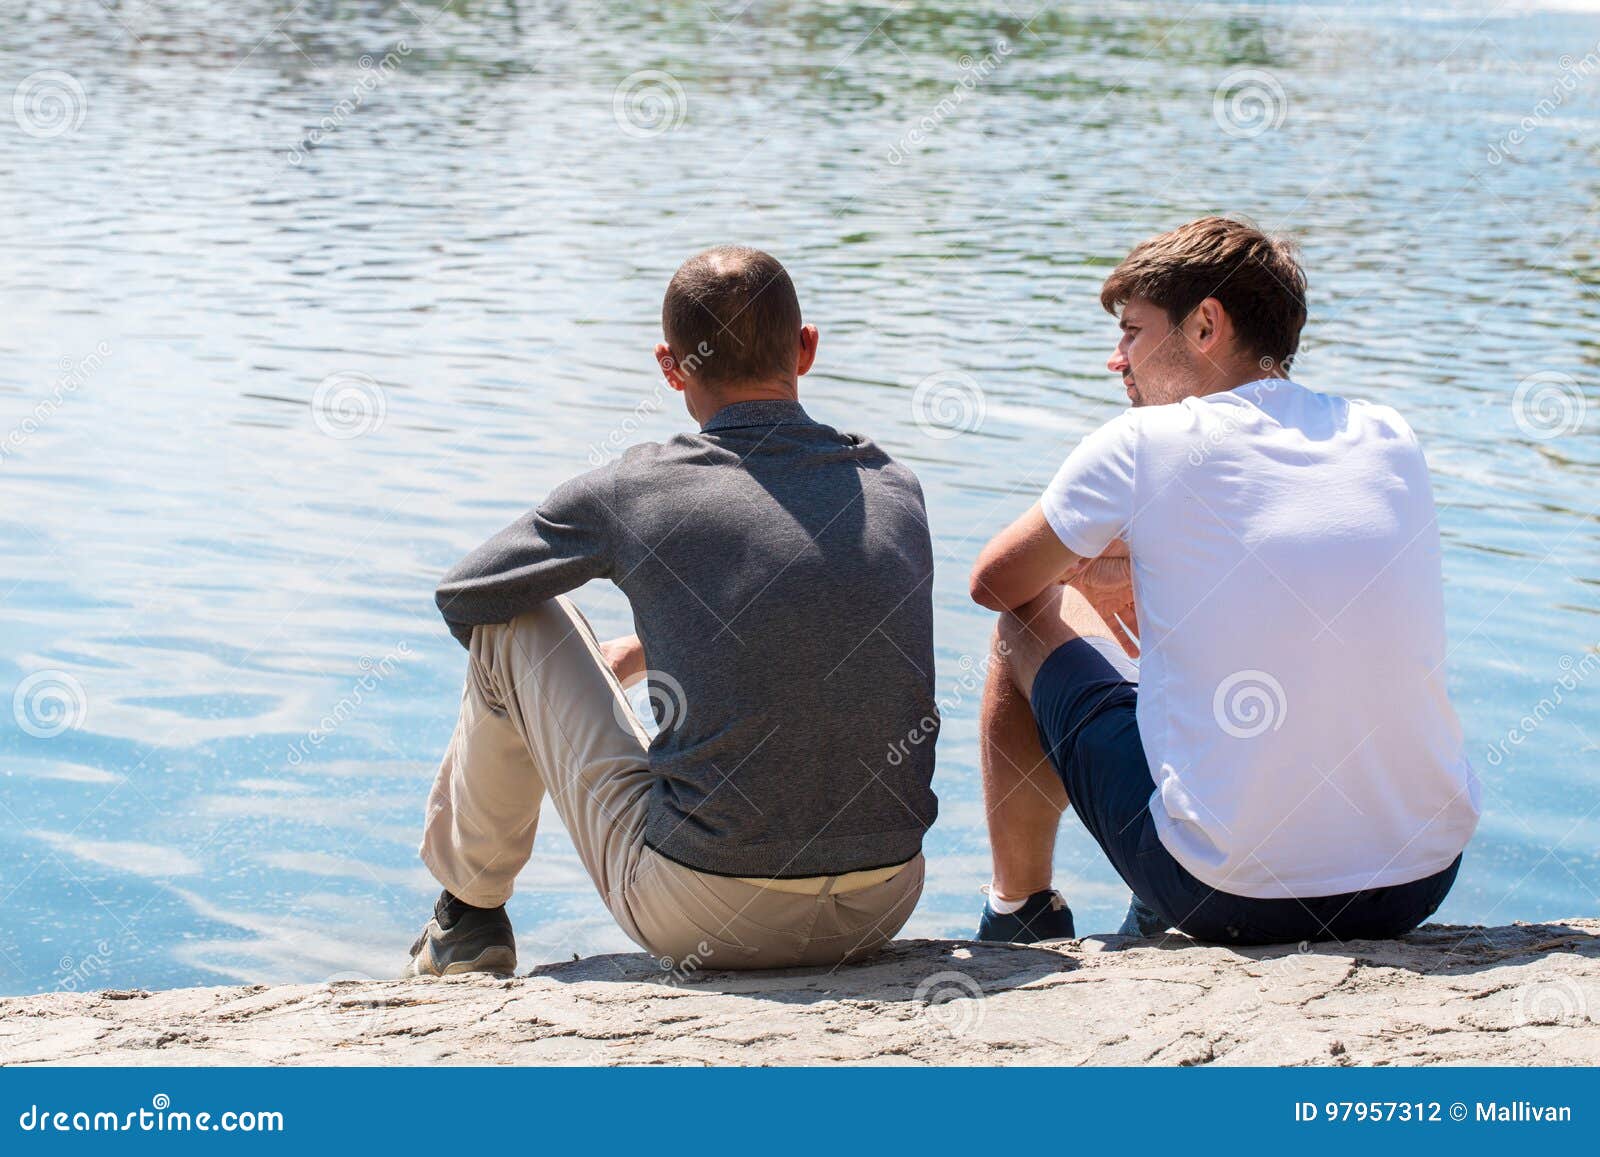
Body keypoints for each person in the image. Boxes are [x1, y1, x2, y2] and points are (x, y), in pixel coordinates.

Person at [408, 246, 938, 976]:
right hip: (885, 898)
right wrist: (664, 642)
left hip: (704, 911)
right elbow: (803, 611)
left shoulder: (638, 487)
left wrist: (578, 681)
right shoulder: (894, 485)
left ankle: (467, 919)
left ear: (671, 365)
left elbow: (467, 595)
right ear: (807, 347)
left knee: (513, 624)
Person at [969, 217, 1479, 945]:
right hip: (1419, 878)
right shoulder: (1388, 433)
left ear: (1206, 325)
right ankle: (1152, 900)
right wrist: (1126, 560)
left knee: (1023, 620)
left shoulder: (1142, 443)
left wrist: (1086, 567)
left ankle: (1018, 912)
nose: (1118, 360)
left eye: (1133, 332)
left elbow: (994, 580)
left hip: (1229, 897)